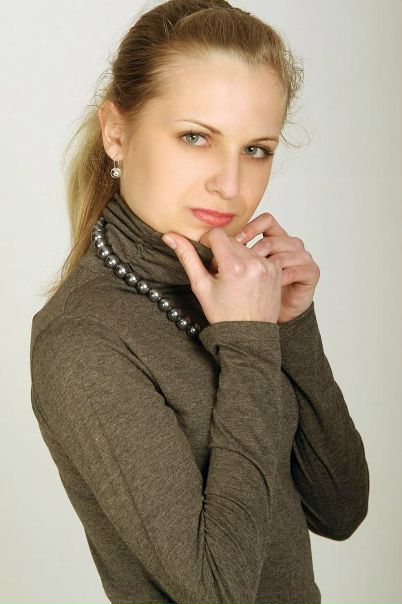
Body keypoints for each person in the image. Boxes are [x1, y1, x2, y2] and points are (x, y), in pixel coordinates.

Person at [29, 1, 370, 603]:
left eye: (256, 149)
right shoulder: (84, 340)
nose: (230, 185)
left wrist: (290, 326)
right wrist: (250, 345)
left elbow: (340, 509)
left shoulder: (240, 296)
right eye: (195, 137)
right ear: (116, 133)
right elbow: (218, 591)